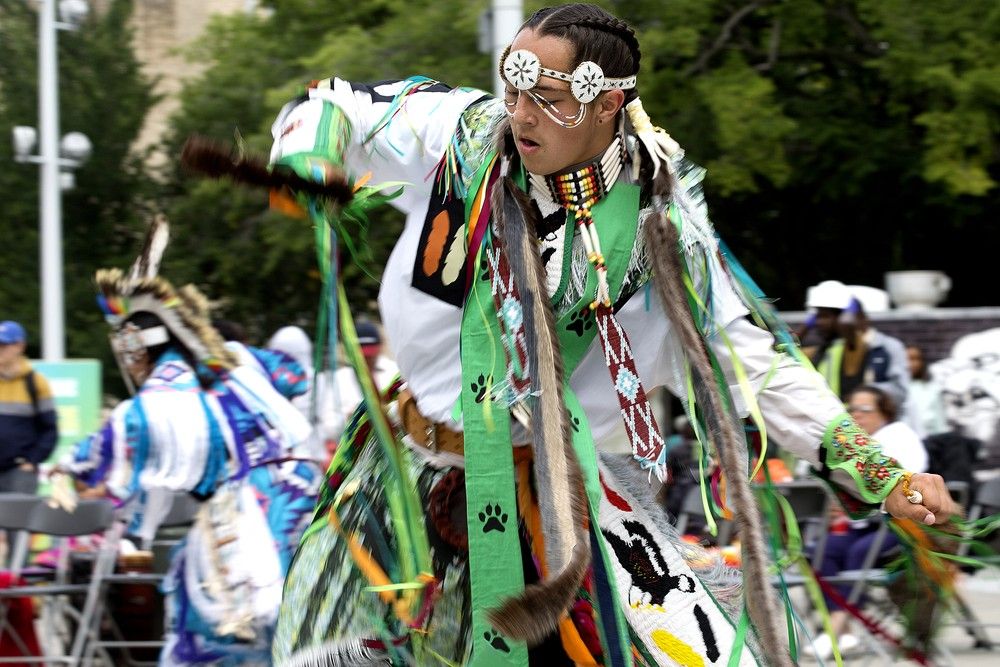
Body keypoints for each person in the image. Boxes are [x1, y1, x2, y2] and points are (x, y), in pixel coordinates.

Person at [257, 4, 956, 665]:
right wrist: (308, 155)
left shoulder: (660, 227)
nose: (522, 116)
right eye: (514, 89)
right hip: (404, 475)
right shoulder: (463, 135)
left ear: (608, 105)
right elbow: (335, 103)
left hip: (559, 500)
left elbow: (748, 361)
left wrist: (876, 469)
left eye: (550, 99)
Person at [66, 219, 321, 665]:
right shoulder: (235, 358)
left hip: (251, 522)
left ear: (137, 349)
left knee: (224, 630)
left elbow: (98, 458)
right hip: (310, 501)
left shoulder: (160, 399)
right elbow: (292, 376)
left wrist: (62, 473)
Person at [809, 385, 929, 659]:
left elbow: (903, 488)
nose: (856, 415)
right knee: (820, 550)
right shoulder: (853, 440)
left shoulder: (900, 437)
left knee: (858, 552)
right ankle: (845, 628)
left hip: (903, 526)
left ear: (884, 412)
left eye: (865, 409)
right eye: (851, 409)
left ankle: (834, 630)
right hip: (863, 524)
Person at [800, 280, 910, 406]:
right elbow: (792, 351)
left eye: (824, 316)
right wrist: (806, 326)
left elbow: (900, 392)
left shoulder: (889, 347)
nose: (818, 323)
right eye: (816, 317)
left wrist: (866, 394)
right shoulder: (828, 350)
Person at [0, 320, 57, 495]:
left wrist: (31, 461)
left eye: (3, 344)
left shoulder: (35, 382)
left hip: (19, 472)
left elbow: (50, 429)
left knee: (17, 521)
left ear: (20, 346)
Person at [325, 320, 399, 446]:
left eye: (370, 354)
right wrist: (351, 418)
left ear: (380, 347)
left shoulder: (395, 372)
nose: (367, 359)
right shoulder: (339, 379)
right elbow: (327, 426)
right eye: (362, 354)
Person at [903, 344, 947, 438]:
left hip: (928, 441)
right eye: (907, 359)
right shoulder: (894, 389)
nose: (910, 364)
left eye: (915, 359)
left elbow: (939, 423)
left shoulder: (932, 389)